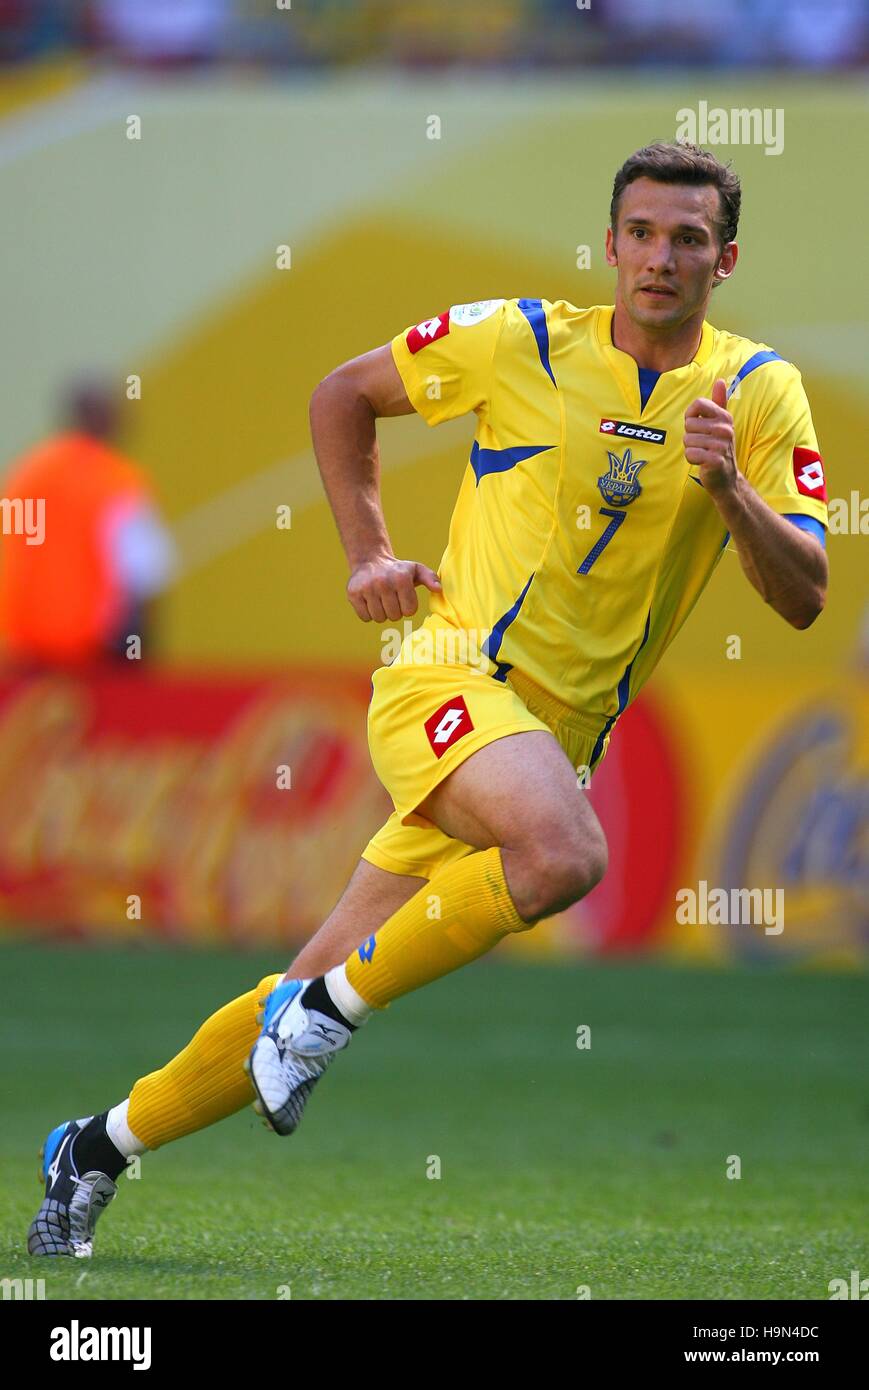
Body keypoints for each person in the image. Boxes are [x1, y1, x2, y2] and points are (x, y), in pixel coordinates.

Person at [27, 141, 829, 1257]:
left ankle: (95, 1145)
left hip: (544, 743)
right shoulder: (524, 339)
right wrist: (368, 553)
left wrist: (728, 488)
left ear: (723, 258)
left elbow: (803, 593)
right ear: (608, 245)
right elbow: (342, 394)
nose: (658, 257)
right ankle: (327, 1019)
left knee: (307, 975)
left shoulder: (756, 394)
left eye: (686, 239)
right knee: (563, 854)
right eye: (639, 234)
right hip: (445, 678)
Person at [0, 379, 173, 666]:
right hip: (90, 656)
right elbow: (142, 571)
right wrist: (137, 650)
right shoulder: (114, 479)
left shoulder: (26, 473)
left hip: (22, 654)